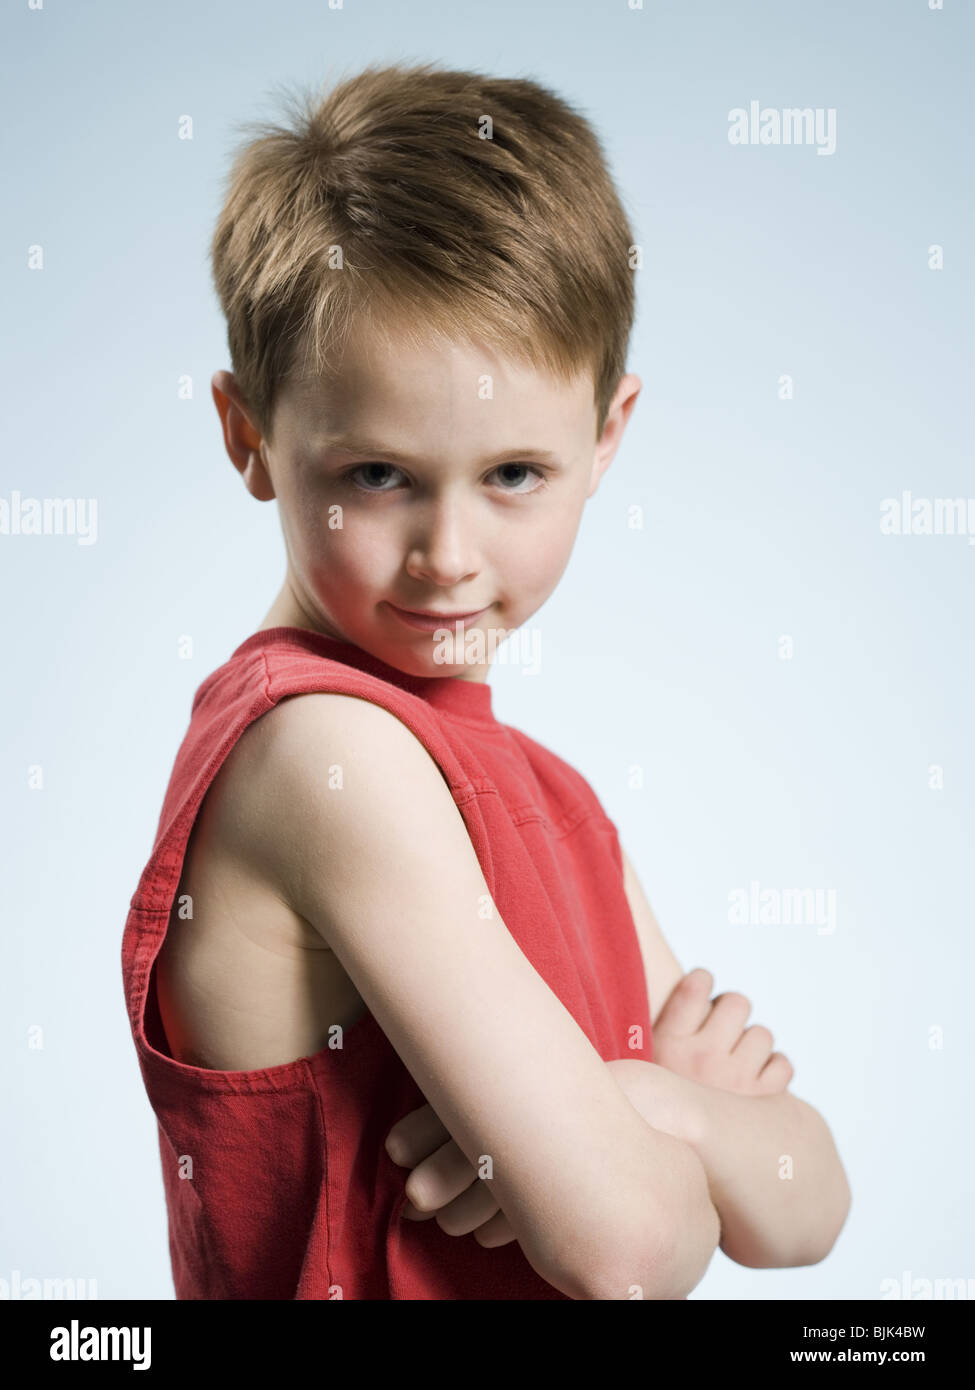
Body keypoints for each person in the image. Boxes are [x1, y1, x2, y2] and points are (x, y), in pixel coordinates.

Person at [121, 60, 851, 1300]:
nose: (450, 556)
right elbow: (629, 1253)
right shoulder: (321, 761)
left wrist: (632, 1107)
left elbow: (807, 1208)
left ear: (606, 436)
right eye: (377, 475)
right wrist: (662, 1143)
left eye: (514, 472)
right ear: (250, 436)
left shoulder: (551, 799)